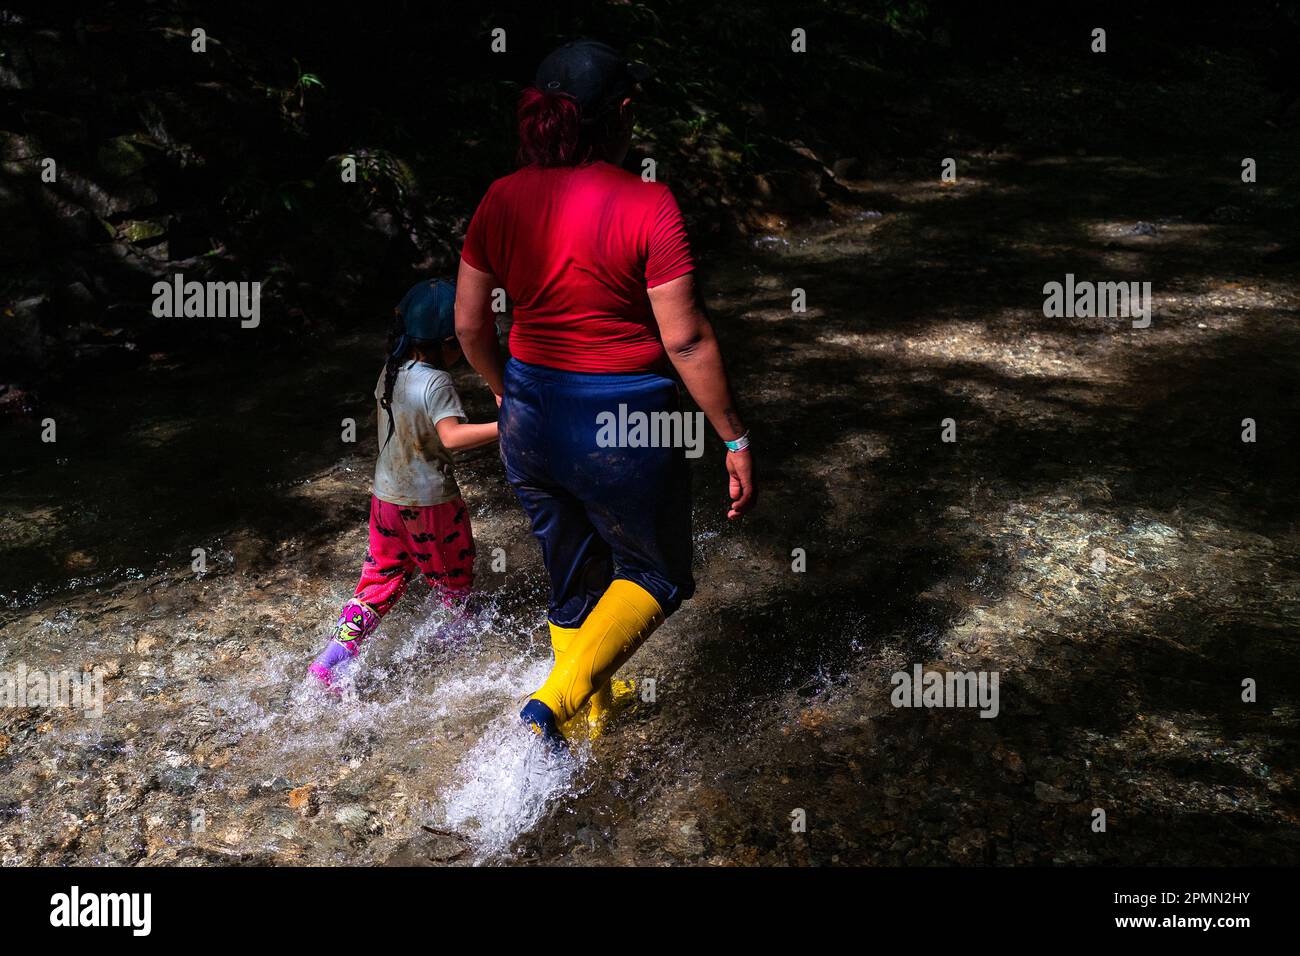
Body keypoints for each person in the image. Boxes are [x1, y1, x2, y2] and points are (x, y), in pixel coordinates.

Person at [454, 40, 756, 747]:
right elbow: (686, 341)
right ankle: (552, 705)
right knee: (656, 573)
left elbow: (470, 324)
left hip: (531, 412)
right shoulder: (648, 204)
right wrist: (734, 437)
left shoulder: (500, 197)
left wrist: (504, 394)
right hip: (621, 423)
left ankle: (592, 717)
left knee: (574, 573)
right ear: (623, 113)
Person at [309, 279, 499, 688]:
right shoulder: (438, 382)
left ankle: (330, 660)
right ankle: (454, 657)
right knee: (453, 581)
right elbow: (451, 437)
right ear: (450, 340)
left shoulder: (391, 371)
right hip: (432, 504)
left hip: (385, 501)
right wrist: (508, 425)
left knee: (379, 582)